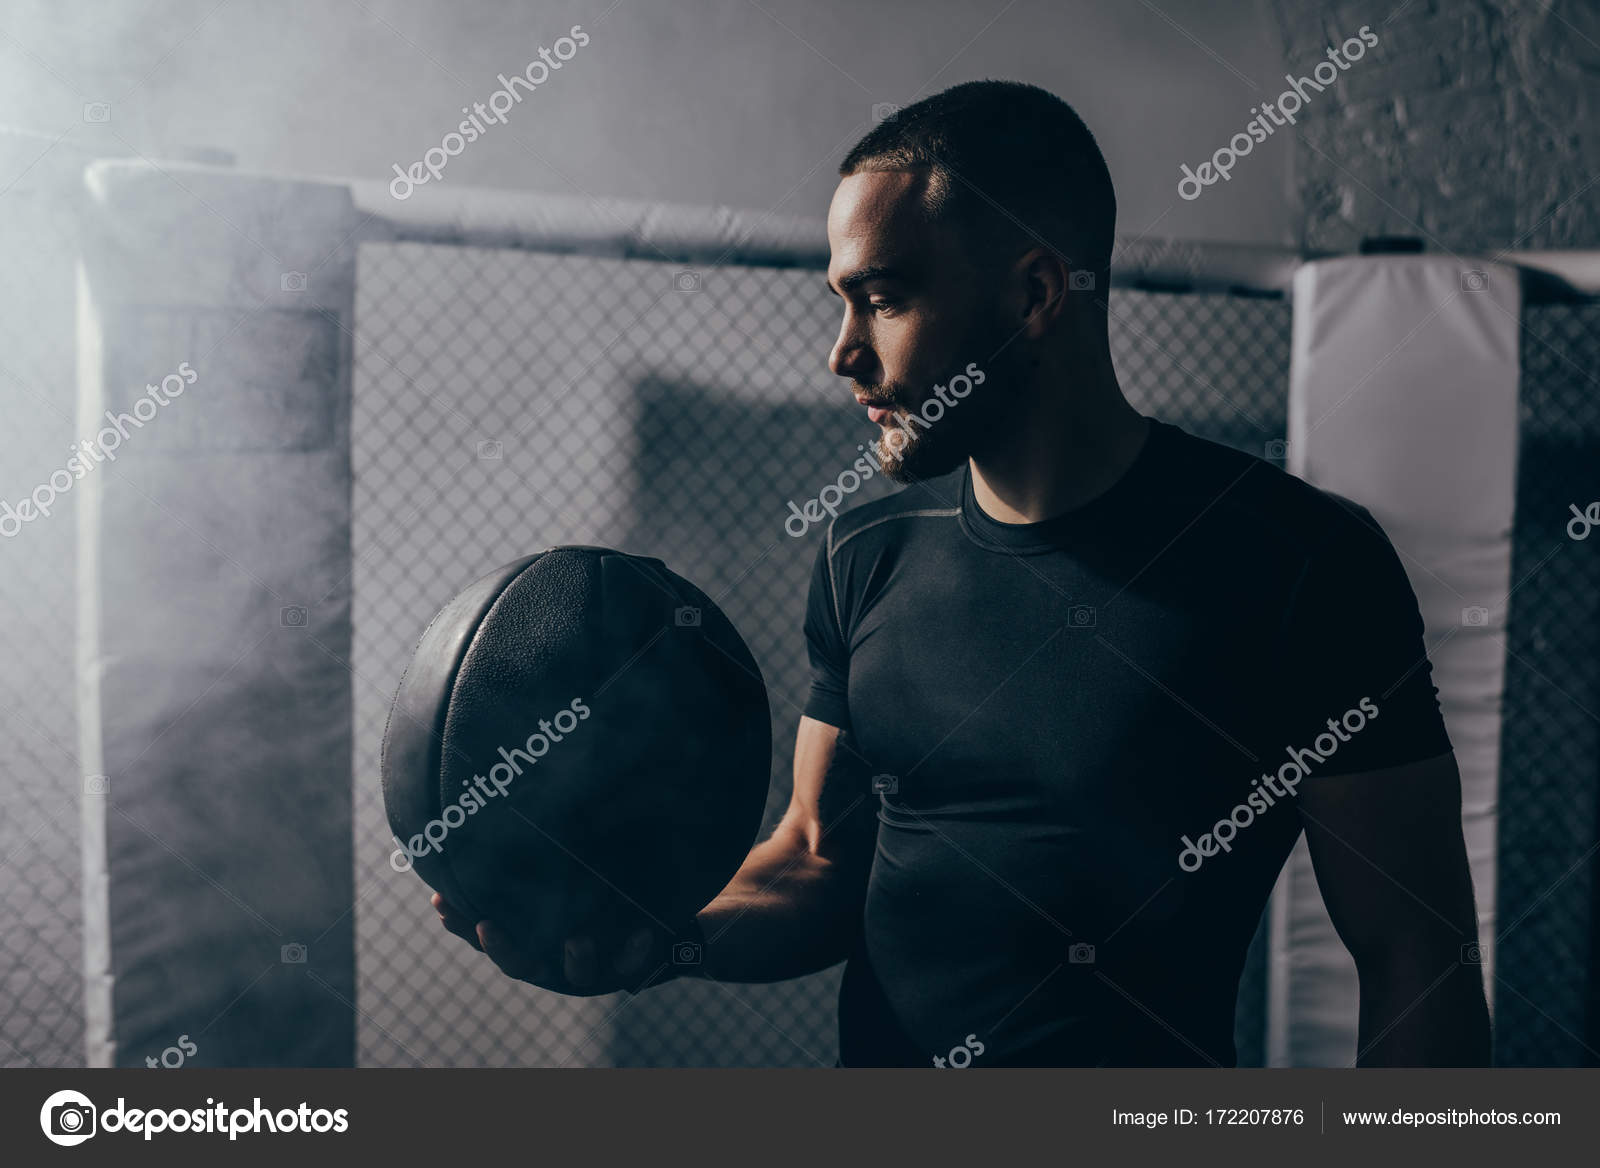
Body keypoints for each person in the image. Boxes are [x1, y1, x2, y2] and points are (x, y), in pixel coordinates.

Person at [435, 80, 1491, 1067]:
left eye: (880, 299)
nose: (841, 352)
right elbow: (814, 859)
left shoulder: (1299, 563)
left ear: (1034, 293)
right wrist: (658, 944)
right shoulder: (866, 554)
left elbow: (1414, 949)